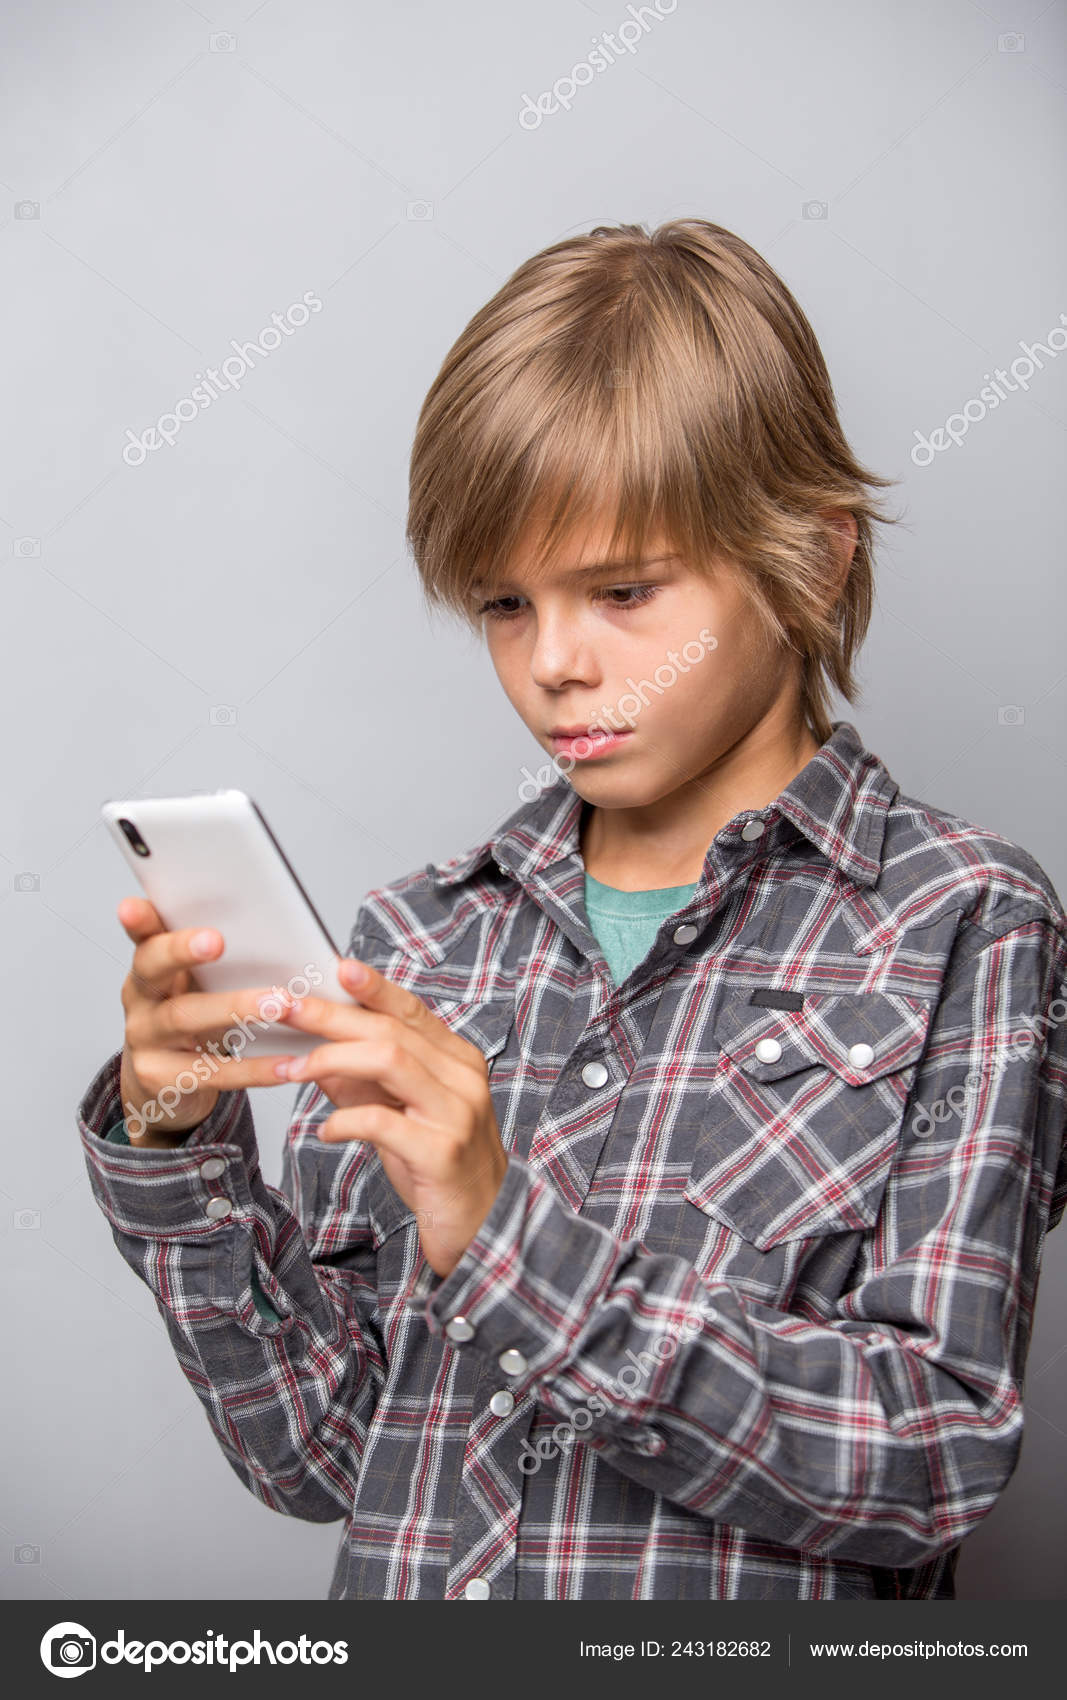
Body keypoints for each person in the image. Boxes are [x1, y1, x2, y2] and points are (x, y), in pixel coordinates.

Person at [77, 218, 1067, 1602]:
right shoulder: (422, 941)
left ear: (812, 558)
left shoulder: (963, 921)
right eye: (503, 603)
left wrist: (509, 1238)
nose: (552, 663)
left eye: (622, 592)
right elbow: (325, 1456)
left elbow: (929, 1459)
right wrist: (178, 1145)